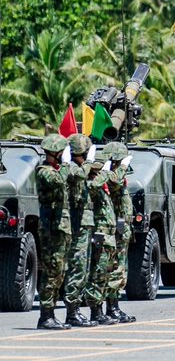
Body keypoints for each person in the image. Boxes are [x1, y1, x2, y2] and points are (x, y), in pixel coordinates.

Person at [34, 134, 72, 330]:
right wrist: (66, 164)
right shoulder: (44, 171)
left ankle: (51, 314)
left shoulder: (56, 170)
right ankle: (45, 316)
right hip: (51, 229)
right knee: (52, 271)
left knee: (60, 271)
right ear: (56, 153)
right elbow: (59, 180)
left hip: (60, 228)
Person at [63, 133, 97, 327]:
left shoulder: (75, 168)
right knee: (77, 267)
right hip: (77, 224)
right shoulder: (73, 169)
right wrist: (90, 161)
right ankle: (72, 312)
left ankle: (75, 310)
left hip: (83, 224)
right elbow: (80, 175)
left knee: (82, 268)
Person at [101, 142, 135, 323]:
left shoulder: (117, 176)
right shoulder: (110, 176)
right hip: (115, 230)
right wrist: (122, 166)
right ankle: (111, 308)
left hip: (122, 229)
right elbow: (113, 181)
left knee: (119, 270)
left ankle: (114, 307)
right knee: (115, 269)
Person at [84, 151, 118, 325]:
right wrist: (103, 173)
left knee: (105, 274)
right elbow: (93, 186)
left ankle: (103, 309)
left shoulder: (103, 187)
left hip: (108, 236)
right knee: (97, 274)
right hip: (99, 235)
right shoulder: (91, 184)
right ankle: (95, 311)